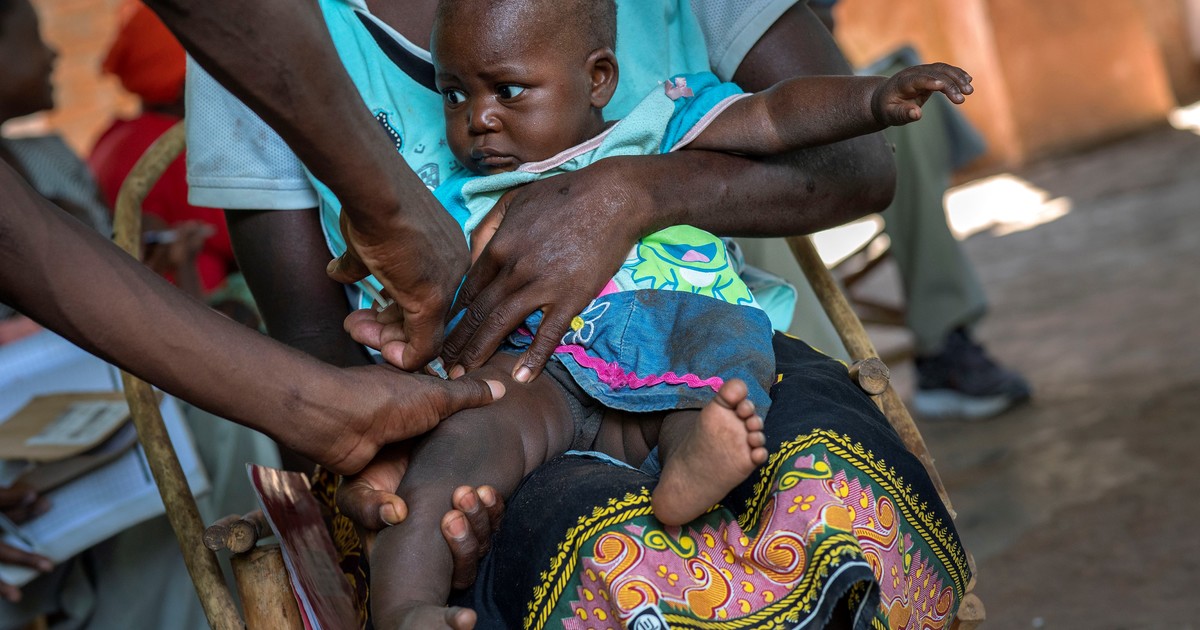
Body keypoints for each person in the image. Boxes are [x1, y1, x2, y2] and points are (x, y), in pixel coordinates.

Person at [170, 0, 970, 627]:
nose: (477, 119)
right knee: (452, 473)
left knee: (763, 412)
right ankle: (407, 608)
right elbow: (334, 321)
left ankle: (693, 445)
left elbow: (781, 119)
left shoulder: (662, 118)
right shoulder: (443, 190)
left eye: (507, 91)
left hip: (675, 330)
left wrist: (873, 97)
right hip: (525, 376)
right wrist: (389, 341)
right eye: (455, 95)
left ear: (598, 78)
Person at [803, 0, 1032, 420]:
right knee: (715, 181)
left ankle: (942, 345)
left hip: (806, 111)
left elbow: (818, 29)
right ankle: (813, 400)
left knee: (909, 109)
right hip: (725, 132)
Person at [88, 1, 237, 297]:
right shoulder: (174, 147)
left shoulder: (112, 136)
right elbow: (237, 237)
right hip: (192, 306)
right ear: (186, 83)